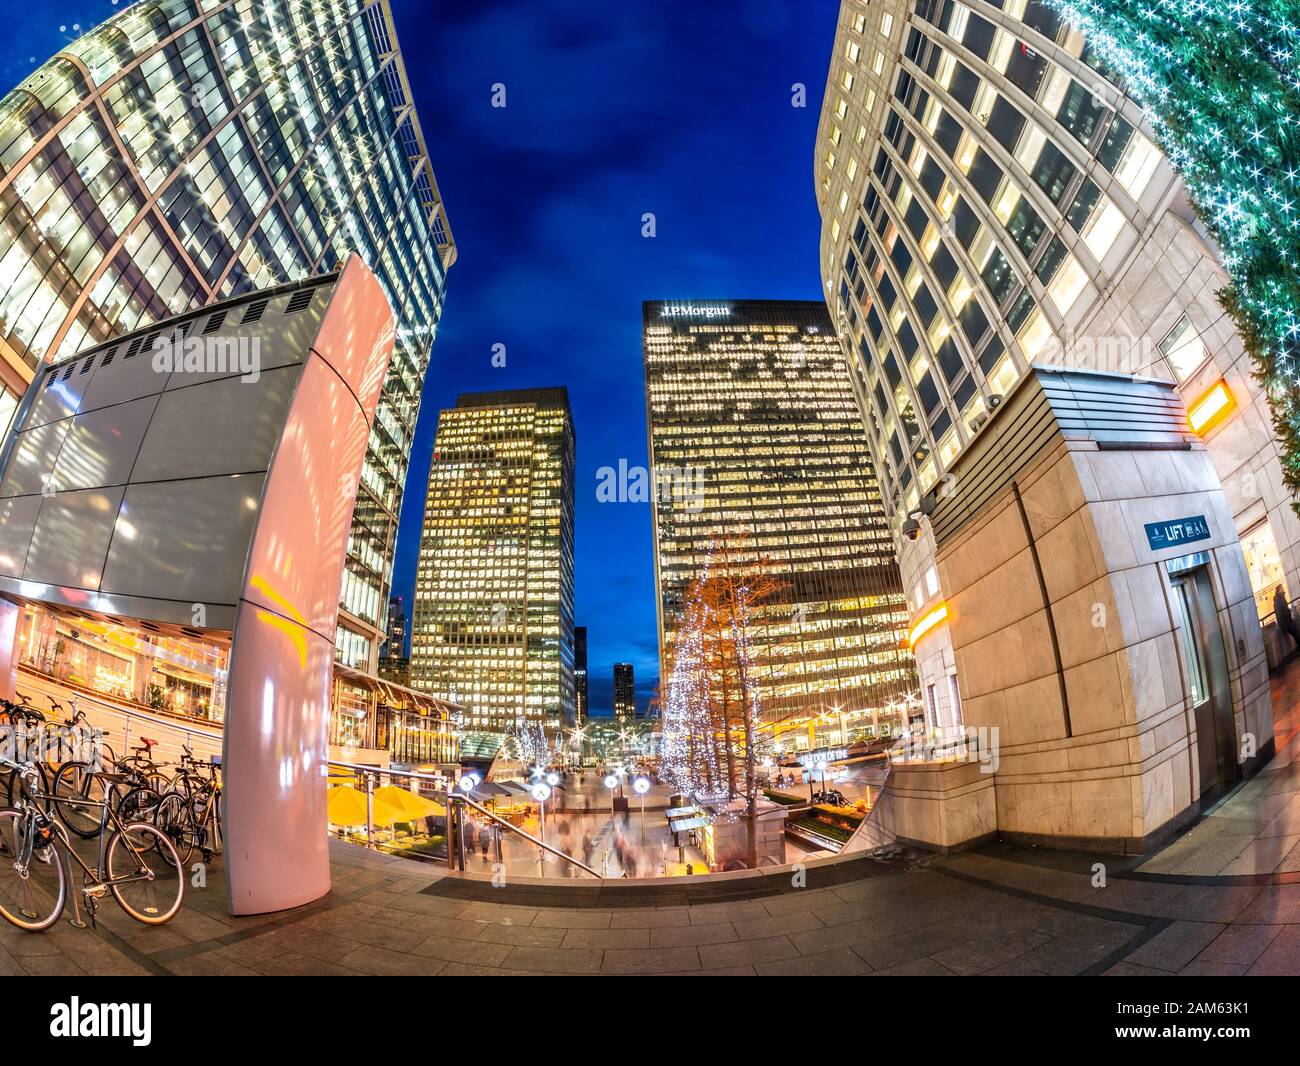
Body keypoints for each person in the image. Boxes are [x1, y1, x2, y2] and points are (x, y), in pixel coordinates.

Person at [1275, 585, 1299, 655]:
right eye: (1281, 588)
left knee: (1295, 633)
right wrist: (1283, 624)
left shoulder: (1281, 597)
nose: (1283, 589)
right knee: (1295, 633)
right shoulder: (1278, 599)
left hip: (1288, 619)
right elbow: (1279, 612)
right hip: (1286, 621)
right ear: (1279, 590)